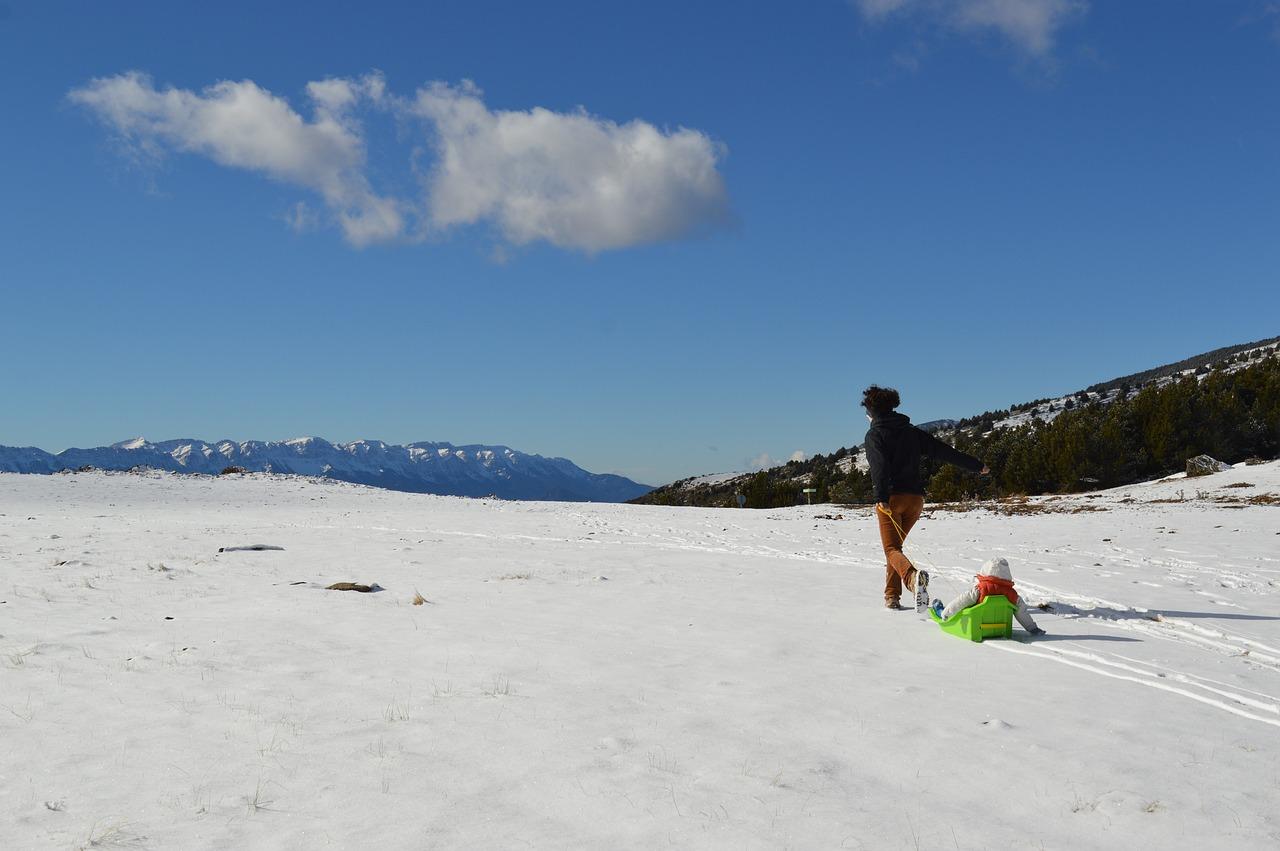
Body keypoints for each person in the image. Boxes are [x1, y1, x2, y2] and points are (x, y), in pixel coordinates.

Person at [862, 385, 988, 610]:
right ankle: (892, 596)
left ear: (871, 412)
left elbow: (879, 467)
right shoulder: (911, 431)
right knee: (896, 549)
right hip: (915, 500)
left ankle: (912, 578)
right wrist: (976, 466)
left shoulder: (874, 435)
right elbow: (943, 450)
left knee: (891, 549)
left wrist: (881, 495)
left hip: (891, 500)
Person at [932, 557, 1045, 635]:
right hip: (1001, 628)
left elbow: (961, 601)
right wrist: (1032, 628)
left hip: (976, 626)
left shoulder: (980, 589)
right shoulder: (1012, 594)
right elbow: (1022, 612)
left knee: (946, 611)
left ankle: (939, 609)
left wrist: (947, 613)